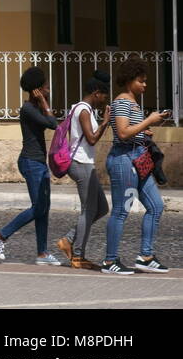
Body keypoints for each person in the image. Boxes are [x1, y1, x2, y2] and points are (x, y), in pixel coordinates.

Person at [102, 59, 170, 274]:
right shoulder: (122, 102)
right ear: (130, 80)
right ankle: (109, 261)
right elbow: (122, 133)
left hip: (138, 159)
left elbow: (131, 130)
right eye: (141, 81)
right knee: (121, 211)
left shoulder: (132, 102)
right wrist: (148, 121)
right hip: (124, 161)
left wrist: (144, 132)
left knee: (156, 206)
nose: (145, 85)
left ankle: (146, 256)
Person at [0, 67, 61, 265]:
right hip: (30, 162)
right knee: (38, 208)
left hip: (38, 162)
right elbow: (54, 124)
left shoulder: (35, 108)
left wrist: (44, 104)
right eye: (45, 86)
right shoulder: (28, 109)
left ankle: (42, 254)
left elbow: (51, 121)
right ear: (37, 88)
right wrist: (45, 103)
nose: (48, 88)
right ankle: (0, 236)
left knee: (44, 208)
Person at [56, 71, 111, 270]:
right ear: (96, 93)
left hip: (86, 164)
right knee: (88, 211)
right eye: (104, 96)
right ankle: (77, 256)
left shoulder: (80, 108)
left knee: (102, 208)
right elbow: (92, 139)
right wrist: (105, 122)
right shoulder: (84, 111)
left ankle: (68, 240)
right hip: (80, 164)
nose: (104, 100)